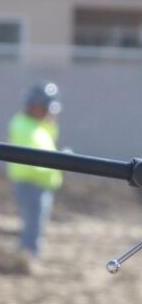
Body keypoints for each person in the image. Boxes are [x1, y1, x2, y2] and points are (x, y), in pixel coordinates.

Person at [6, 81, 64, 270]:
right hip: (30, 182)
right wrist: (58, 164)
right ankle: (26, 261)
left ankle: (27, 257)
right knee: (33, 224)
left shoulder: (37, 126)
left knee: (35, 223)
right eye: (45, 108)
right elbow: (35, 158)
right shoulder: (25, 126)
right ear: (35, 106)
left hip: (38, 183)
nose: (49, 113)